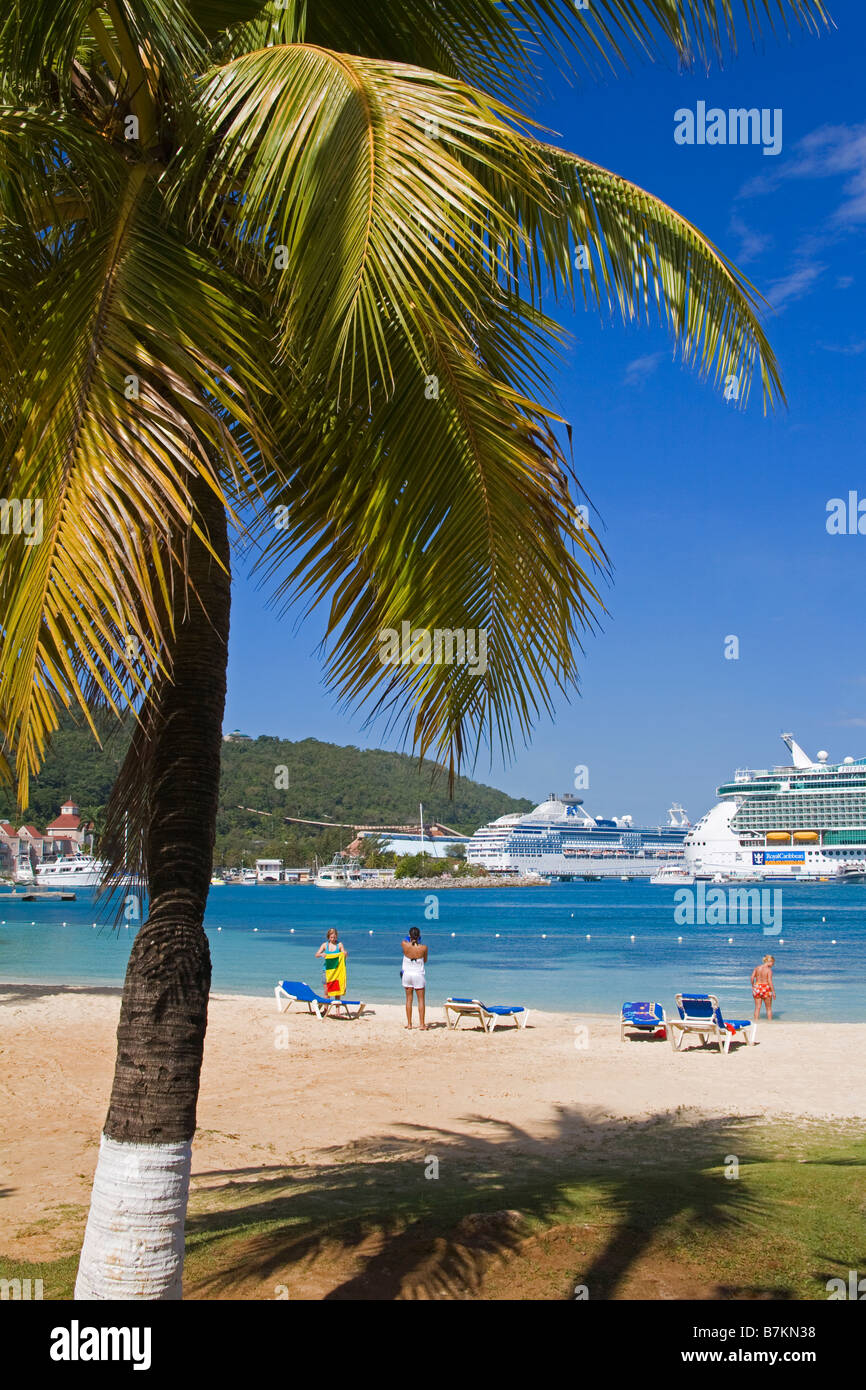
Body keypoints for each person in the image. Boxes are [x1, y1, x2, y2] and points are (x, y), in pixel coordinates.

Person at [401, 925, 428, 1030]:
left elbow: (405, 941)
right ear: (419, 936)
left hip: (407, 974)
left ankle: (409, 1024)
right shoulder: (424, 948)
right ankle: (421, 1024)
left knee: (408, 999)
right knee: (421, 1000)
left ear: (409, 935)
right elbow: (424, 960)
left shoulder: (404, 945)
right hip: (418, 975)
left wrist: (410, 940)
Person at [751, 954, 776, 1021]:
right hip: (765, 988)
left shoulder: (757, 968)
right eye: (773, 963)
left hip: (757, 987)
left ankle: (756, 1021)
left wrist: (753, 985)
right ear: (769, 962)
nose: (773, 965)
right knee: (768, 1008)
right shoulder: (769, 970)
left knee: (757, 1007)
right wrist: (773, 992)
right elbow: (770, 981)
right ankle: (770, 1022)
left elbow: (752, 977)